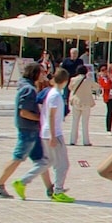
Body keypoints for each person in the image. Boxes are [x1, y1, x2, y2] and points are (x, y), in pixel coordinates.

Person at [0, 62, 54, 200]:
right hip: (28, 130)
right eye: (42, 72)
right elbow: (24, 112)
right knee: (18, 157)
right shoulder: (28, 89)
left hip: (33, 129)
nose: (44, 75)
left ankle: (50, 188)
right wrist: (41, 118)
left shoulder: (28, 87)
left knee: (42, 160)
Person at [40, 69, 76, 203]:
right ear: (66, 81)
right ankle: (58, 190)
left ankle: (25, 181)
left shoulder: (51, 92)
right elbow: (51, 115)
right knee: (62, 164)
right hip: (54, 132)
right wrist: (53, 136)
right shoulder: (56, 95)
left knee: (49, 162)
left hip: (47, 131)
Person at [68, 65, 98, 147]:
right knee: (85, 123)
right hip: (86, 102)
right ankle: (86, 141)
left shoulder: (73, 79)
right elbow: (96, 87)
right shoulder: (89, 80)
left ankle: (72, 140)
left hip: (76, 102)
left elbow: (70, 88)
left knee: (75, 122)